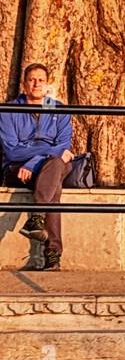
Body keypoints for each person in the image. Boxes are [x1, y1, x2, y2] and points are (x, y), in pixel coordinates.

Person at [0, 63, 74, 271]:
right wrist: (42, 156)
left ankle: (38, 220)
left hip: (44, 166)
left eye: (41, 80)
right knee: (55, 181)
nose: (36, 84)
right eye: (32, 79)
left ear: (47, 83)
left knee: (56, 165)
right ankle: (52, 251)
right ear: (24, 84)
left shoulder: (58, 109)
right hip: (18, 169)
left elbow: (64, 144)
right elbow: (13, 151)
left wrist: (34, 161)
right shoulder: (9, 110)